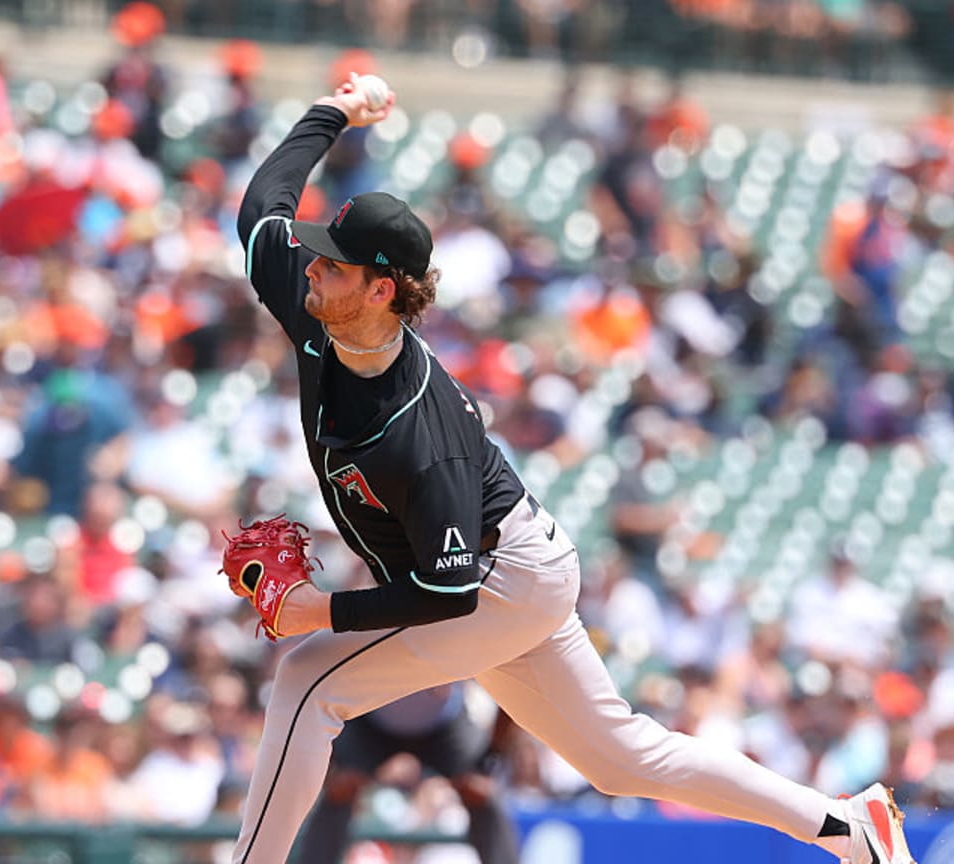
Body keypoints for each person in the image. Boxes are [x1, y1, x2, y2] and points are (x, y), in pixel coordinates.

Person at [229, 75, 917, 864]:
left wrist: (312, 610)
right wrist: (335, 116)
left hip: (495, 579)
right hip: (516, 567)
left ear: (381, 290)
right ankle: (849, 828)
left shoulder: (420, 429)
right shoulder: (317, 310)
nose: (311, 271)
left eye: (334, 268)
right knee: (621, 759)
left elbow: (446, 592)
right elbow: (262, 209)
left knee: (308, 682)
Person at [295, 684, 518, 864]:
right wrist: (331, 758)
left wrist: (493, 753)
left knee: (480, 791)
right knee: (340, 788)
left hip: (442, 723)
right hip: (371, 720)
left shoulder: (463, 630)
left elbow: (513, 680)